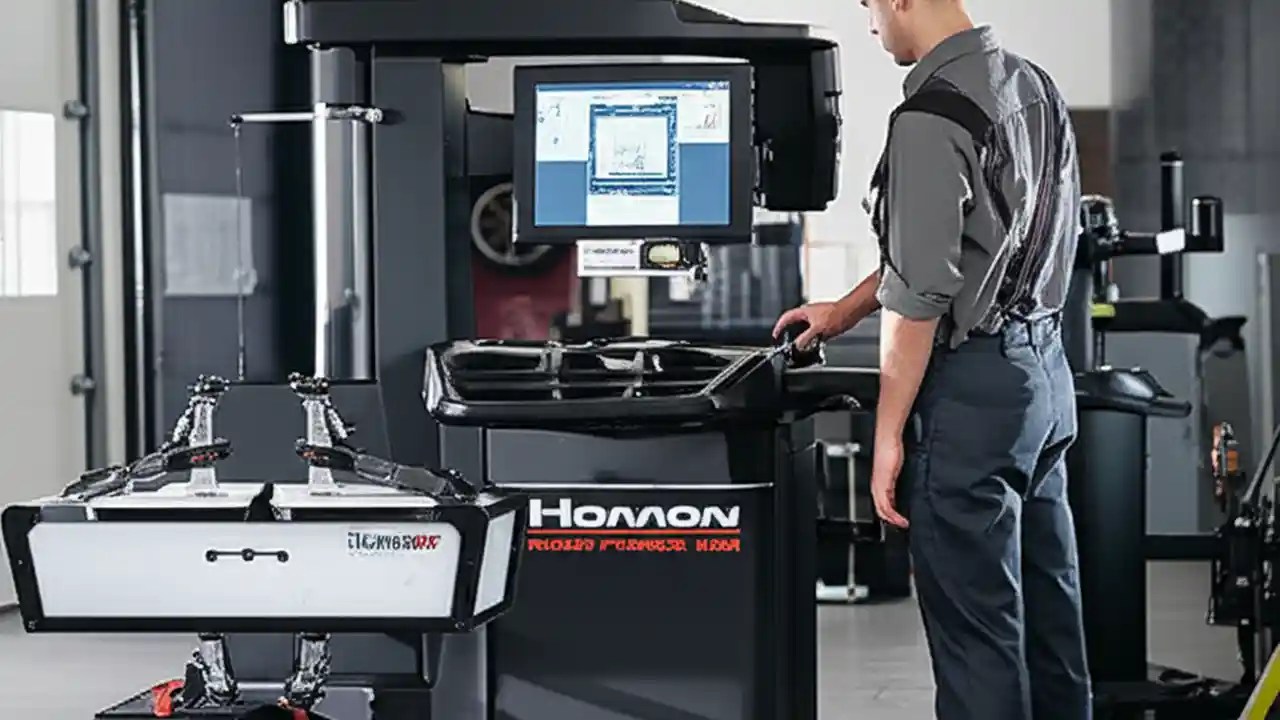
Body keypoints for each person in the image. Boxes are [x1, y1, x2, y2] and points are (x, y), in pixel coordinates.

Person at [773, 1, 1091, 719]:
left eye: (867, 6)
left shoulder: (928, 118)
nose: (871, 26)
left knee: (978, 641)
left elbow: (920, 297)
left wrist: (887, 436)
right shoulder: (1033, 85)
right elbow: (956, 249)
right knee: (1050, 628)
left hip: (972, 394)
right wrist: (842, 312)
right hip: (1042, 378)